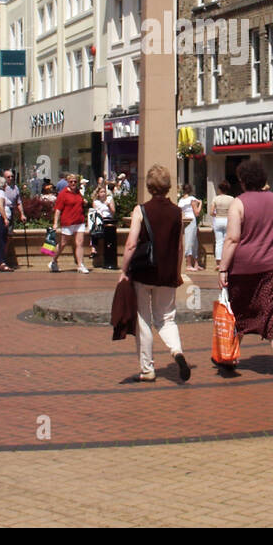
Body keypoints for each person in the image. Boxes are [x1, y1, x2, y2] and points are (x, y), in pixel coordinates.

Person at [218, 159, 273, 378]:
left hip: (244, 265)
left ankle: (231, 356)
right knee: (271, 308)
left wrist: (223, 268)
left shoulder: (239, 203)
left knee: (239, 309)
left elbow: (232, 238)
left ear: (243, 181)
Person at [116, 164, 188, 383]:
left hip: (143, 272)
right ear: (168, 186)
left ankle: (147, 368)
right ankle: (176, 351)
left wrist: (123, 269)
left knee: (143, 320)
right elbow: (179, 247)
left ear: (149, 186)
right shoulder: (177, 212)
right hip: (166, 273)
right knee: (167, 318)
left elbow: (131, 243)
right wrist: (177, 272)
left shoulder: (141, 210)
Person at [53, 173, 90, 273]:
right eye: (71, 181)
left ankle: (80, 265)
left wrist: (84, 201)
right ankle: (54, 260)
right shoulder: (63, 194)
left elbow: (80, 202)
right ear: (67, 182)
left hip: (79, 221)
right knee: (63, 243)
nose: (73, 183)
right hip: (68, 222)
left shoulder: (78, 192)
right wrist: (55, 223)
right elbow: (58, 209)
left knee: (80, 243)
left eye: (75, 181)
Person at [2, 170, 27, 269]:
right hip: (3, 211)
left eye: (12, 176)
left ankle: (5, 257)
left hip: (11, 211)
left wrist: (22, 214)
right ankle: (1, 259)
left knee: (9, 236)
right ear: (4, 178)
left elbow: (19, 202)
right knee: (3, 235)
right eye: (8, 177)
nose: (11, 178)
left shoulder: (15, 188)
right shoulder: (2, 188)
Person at [209, 181, 236, 269]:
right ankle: (227, 261)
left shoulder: (216, 198)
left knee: (219, 242)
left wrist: (216, 215)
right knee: (227, 241)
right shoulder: (231, 198)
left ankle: (218, 263)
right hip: (228, 219)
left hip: (218, 220)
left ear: (219, 189)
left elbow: (211, 212)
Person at [176, 183, 202, 271]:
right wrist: (201, 204)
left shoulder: (180, 201)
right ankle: (189, 264)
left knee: (193, 241)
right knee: (191, 242)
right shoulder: (192, 199)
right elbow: (197, 213)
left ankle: (196, 264)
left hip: (185, 221)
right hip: (192, 221)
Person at [88, 185, 114, 263]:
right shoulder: (95, 202)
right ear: (98, 194)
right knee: (94, 227)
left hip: (108, 219)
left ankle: (105, 252)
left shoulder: (109, 199)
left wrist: (109, 206)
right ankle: (93, 250)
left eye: (104, 192)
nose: (103, 194)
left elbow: (113, 212)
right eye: (101, 192)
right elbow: (94, 212)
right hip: (99, 220)